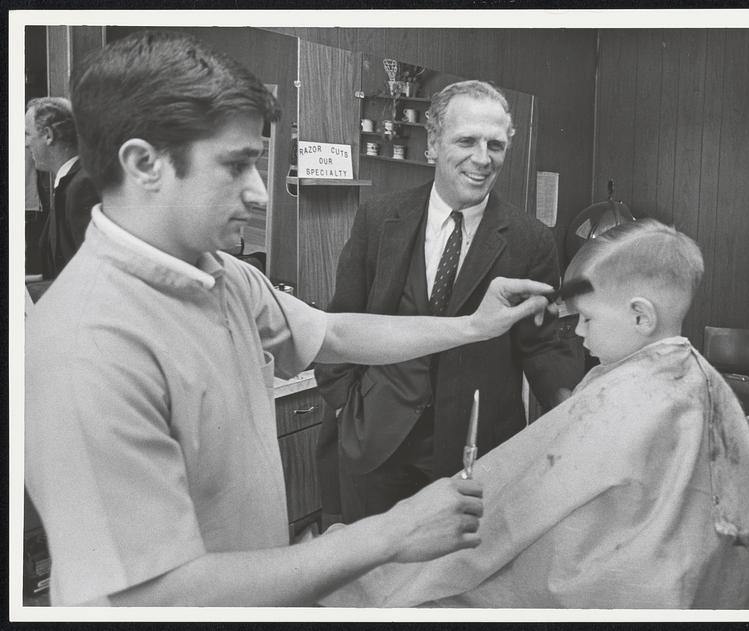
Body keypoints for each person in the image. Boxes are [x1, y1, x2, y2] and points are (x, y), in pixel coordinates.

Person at [24, 30, 558, 607]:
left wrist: (474, 328)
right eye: (238, 165)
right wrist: (391, 532)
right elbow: (155, 597)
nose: (260, 191)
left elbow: (335, 331)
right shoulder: (83, 350)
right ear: (144, 163)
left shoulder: (226, 277)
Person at [320, 219, 749, 608]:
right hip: (686, 582)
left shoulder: (623, 399)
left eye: (587, 318)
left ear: (640, 317)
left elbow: (516, 505)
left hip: (609, 588)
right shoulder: (701, 380)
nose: (578, 331)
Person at [314, 80, 584, 523]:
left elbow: (542, 346)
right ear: (433, 144)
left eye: (495, 144)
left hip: (475, 450)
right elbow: (343, 315)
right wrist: (345, 402)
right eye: (467, 141)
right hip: (376, 441)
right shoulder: (380, 219)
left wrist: (574, 406)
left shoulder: (529, 239)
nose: (483, 158)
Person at [24, 96, 100, 280]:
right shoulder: (71, 182)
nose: (26, 143)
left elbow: (93, 276)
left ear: (48, 135)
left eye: (28, 134)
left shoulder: (83, 187)